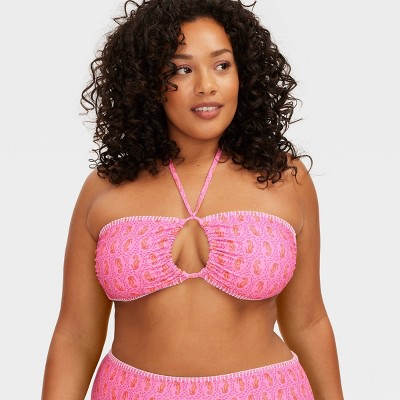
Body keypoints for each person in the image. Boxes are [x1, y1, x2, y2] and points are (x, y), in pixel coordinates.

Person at [42, 0, 344, 398]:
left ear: (244, 73)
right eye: (182, 69)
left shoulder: (284, 179)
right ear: (147, 80)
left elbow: (307, 322)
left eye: (222, 65)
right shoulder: (105, 188)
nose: (206, 85)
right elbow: (76, 335)